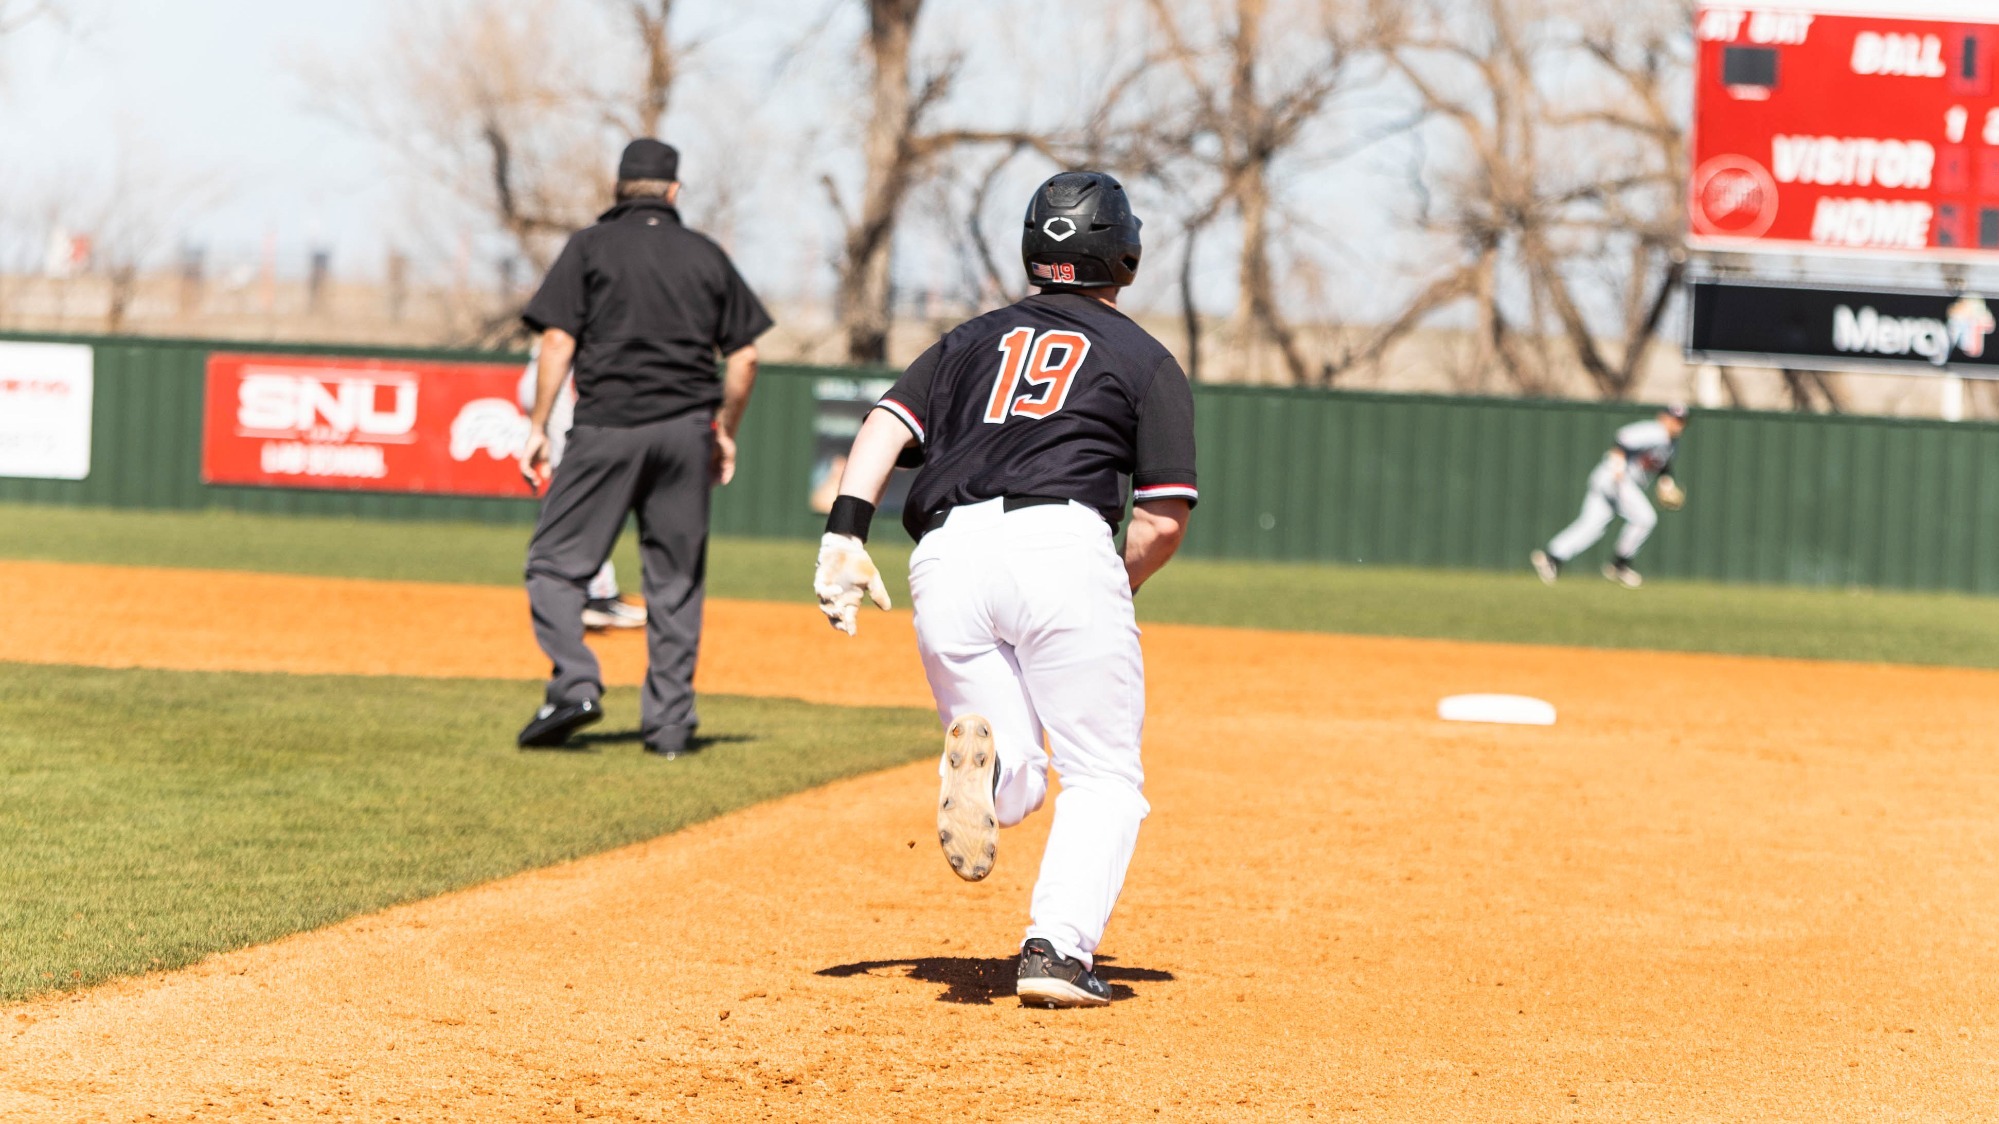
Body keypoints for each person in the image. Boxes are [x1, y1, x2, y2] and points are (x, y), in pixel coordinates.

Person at [813, 171, 1197, 1008]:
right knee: (1101, 775)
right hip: (1062, 542)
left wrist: (844, 531)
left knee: (1017, 763)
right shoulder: (1143, 358)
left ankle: (988, 781)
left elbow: (885, 422)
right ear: (1123, 255)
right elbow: (1163, 519)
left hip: (946, 555)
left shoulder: (967, 340)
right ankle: (1055, 952)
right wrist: (1105, 585)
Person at [515, 138, 773, 755]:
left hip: (607, 427)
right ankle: (670, 728)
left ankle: (575, 683)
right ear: (674, 191)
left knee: (554, 566)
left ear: (617, 188)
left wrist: (537, 424)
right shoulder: (706, 255)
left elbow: (556, 342)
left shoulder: (590, 247)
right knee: (675, 582)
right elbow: (745, 356)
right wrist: (725, 431)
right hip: (685, 433)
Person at [514, 346, 644, 631]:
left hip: (543, 371)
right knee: (584, 490)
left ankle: (568, 586)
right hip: (555, 377)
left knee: (569, 490)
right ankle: (596, 597)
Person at [1531, 405, 1688, 589]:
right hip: (1618, 478)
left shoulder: (1672, 443)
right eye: (1675, 419)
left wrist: (1666, 482)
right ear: (1663, 417)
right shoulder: (1655, 431)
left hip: (1609, 479)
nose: (1678, 424)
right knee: (1645, 518)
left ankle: (1552, 557)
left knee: (1592, 526)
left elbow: (1663, 465)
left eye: (1682, 421)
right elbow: (1623, 438)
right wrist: (1618, 467)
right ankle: (1620, 563)